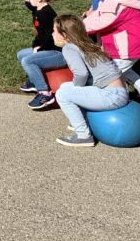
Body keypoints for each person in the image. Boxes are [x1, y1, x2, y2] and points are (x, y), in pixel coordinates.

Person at [52, 14, 130, 147]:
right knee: (66, 87)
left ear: (64, 34)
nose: (52, 33)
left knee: (62, 94)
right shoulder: (87, 43)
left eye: (54, 30)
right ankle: (84, 121)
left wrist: (77, 88)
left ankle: (83, 135)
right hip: (120, 92)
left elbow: (81, 74)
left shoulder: (69, 47)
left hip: (111, 96)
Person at [16, 0, 67, 110]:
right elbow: (40, 35)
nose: (25, 2)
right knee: (21, 54)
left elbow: (51, 37)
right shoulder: (37, 11)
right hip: (48, 49)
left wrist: (40, 48)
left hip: (58, 53)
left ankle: (45, 93)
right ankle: (34, 81)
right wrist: (35, 45)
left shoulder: (46, 14)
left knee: (28, 60)